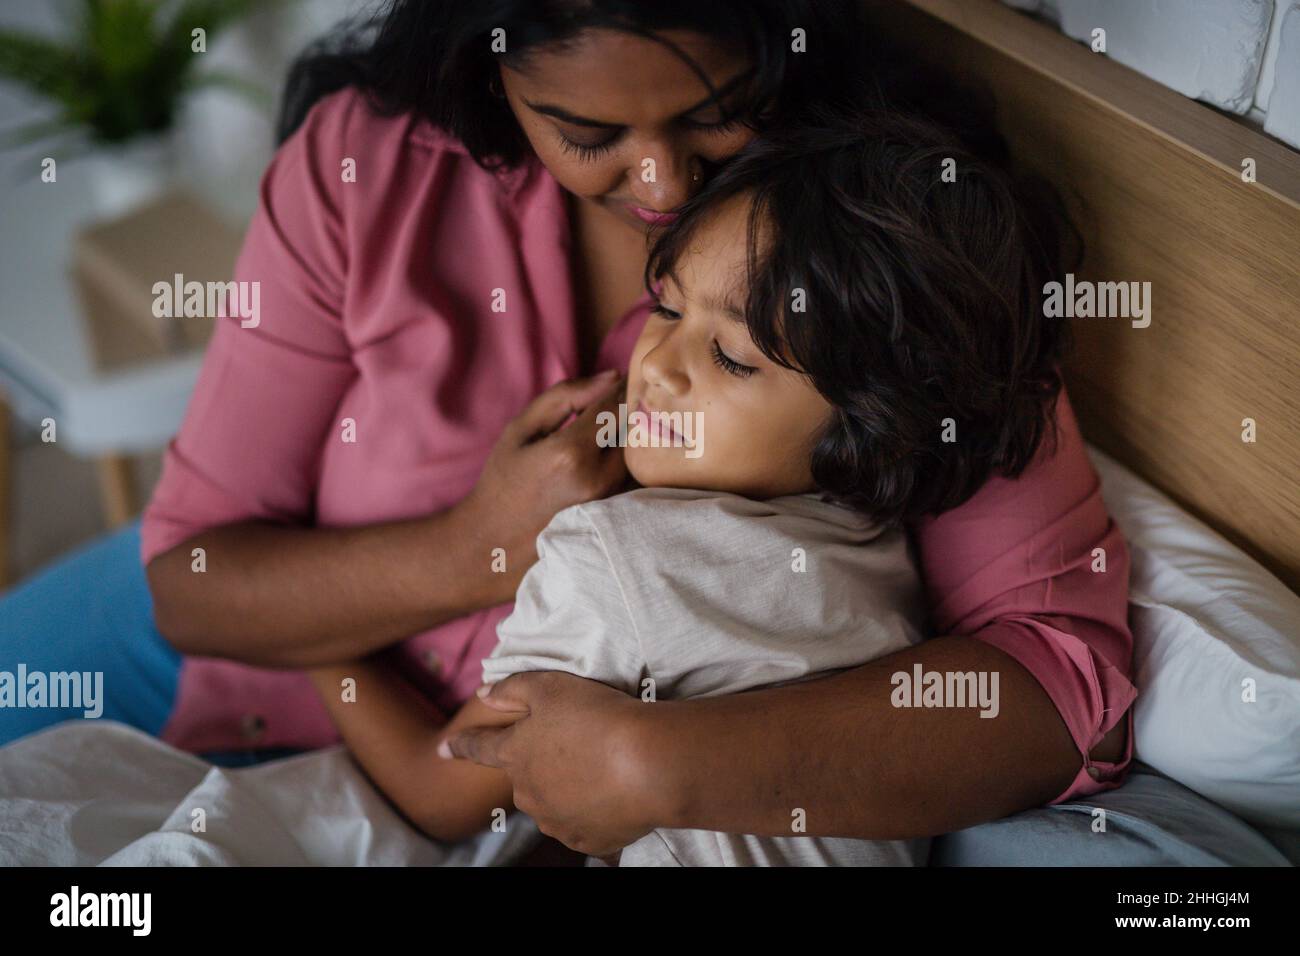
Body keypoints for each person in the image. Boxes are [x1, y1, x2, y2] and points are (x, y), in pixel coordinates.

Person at [0, 0, 1134, 856]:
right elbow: (191, 580)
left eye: (712, 112)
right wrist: (479, 543)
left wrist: (659, 763)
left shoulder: (887, 247)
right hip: (258, 695)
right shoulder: (366, 165)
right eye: (584, 129)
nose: (659, 178)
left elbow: (1053, 679)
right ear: (492, 71)